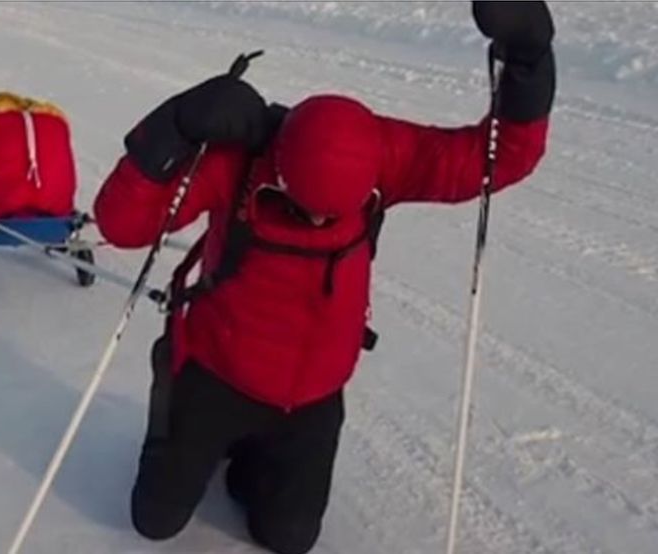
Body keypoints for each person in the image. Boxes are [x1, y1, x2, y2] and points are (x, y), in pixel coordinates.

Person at [94, 2, 555, 552]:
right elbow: (120, 225)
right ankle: (176, 426)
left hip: (309, 398)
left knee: (288, 539)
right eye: (301, 204)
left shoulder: (385, 153)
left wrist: (529, 60)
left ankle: (252, 460)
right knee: (154, 521)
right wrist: (170, 127)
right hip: (215, 374)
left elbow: (495, 159)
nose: (315, 218)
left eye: (330, 213)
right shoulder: (236, 161)